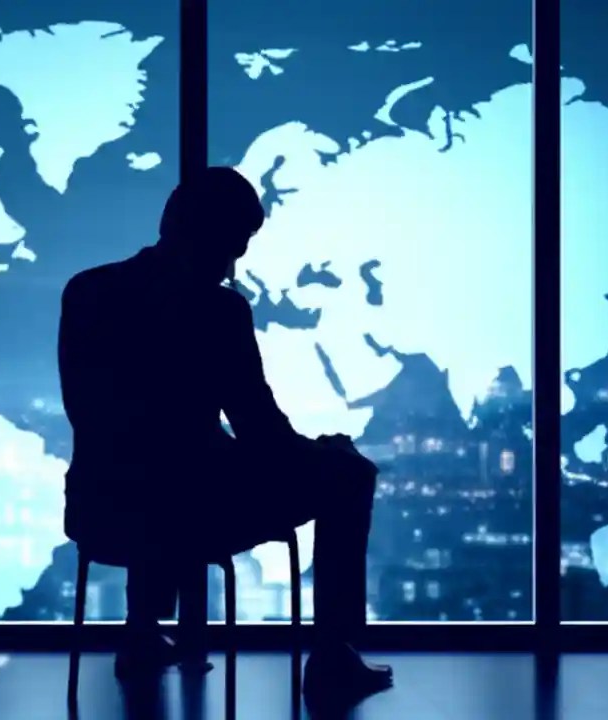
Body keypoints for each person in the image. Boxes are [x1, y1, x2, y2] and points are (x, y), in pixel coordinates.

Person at [57, 166, 393, 708]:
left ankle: (141, 631)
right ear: (209, 236)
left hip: (100, 506)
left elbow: (93, 413)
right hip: (195, 511)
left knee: (155, 472)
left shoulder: (87, 291)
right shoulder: (218, 310)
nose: (234, 261)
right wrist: (323, 452)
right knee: (349, 476)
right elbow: (259, 429)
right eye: (233, 244)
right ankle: (333, 657)